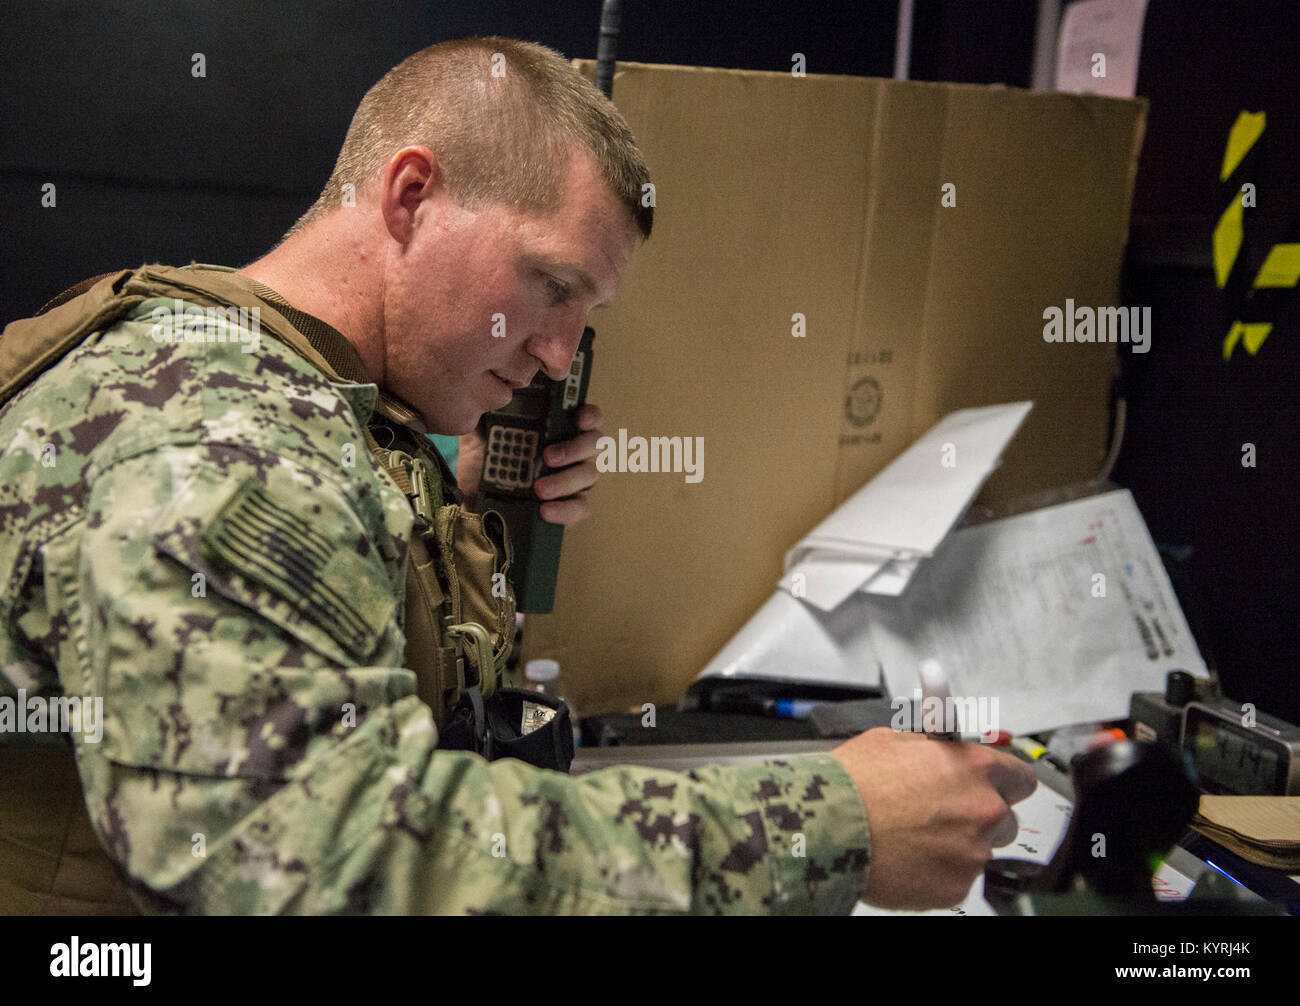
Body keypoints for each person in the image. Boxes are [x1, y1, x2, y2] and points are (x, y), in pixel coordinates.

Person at [0, 36, 1035, 915]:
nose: (554, 353)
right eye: (548, 285)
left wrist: (466, 511)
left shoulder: (303, 389)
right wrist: (831, 824)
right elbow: (330, 861)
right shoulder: (222, 446)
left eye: (584, 315)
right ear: (411, 196)